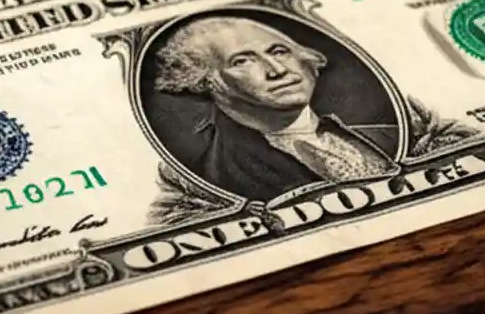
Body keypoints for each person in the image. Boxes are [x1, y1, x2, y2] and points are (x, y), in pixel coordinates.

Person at [153, 16, 398, 200]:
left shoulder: (388, 136)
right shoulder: (220, 179)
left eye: (279, 52)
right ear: (202, 81)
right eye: (243, 61)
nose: (278, 70)